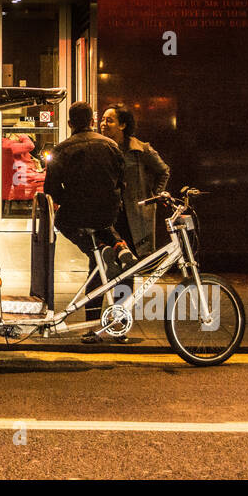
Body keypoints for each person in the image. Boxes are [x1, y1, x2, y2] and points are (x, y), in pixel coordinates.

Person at [43, 101, 133, 343]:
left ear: (70, 123)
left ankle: (103, 249)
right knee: (110, 269)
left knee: (92, 260)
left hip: (77, 216)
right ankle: (116, 246)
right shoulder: (112, 146)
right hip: (107, 216)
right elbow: (120, 182)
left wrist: (67, 197)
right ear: (92, 121)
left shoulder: (61, 150)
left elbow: (51, 191)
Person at [99, 104, 170, 259]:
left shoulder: (141, 149)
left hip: (133, 214)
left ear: (123, 125)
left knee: (130, 258)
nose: (103, 124)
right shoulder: (101, 148)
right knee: (107, 259)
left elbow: (163, 171)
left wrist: (154, 195)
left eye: (109, 120)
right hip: (109, 213)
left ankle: (125, 284)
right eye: (102, 119)